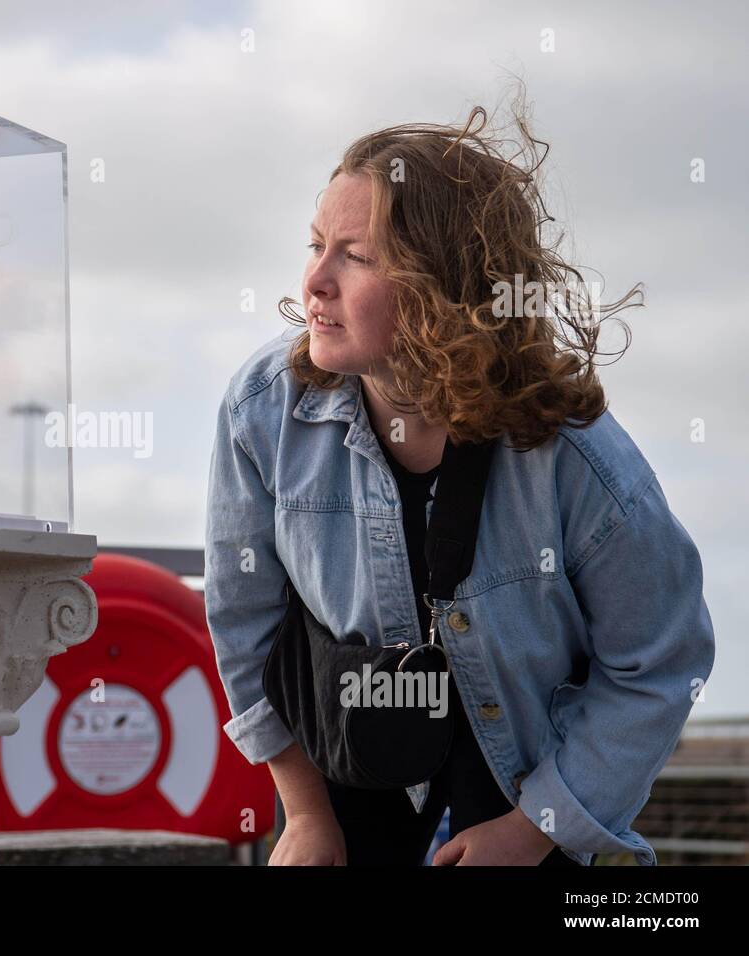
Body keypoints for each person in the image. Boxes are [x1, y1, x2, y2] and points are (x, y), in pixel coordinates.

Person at [204, 96, 716, 866]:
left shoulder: (576, 460)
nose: (315, 280)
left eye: (357, 255)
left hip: (523, 803)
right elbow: (244, 623)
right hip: (344, 797)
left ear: (443, 285)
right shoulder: (261, 410)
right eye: (316, 245)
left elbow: (661, 664)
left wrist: (535, 830)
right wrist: (305, 815)